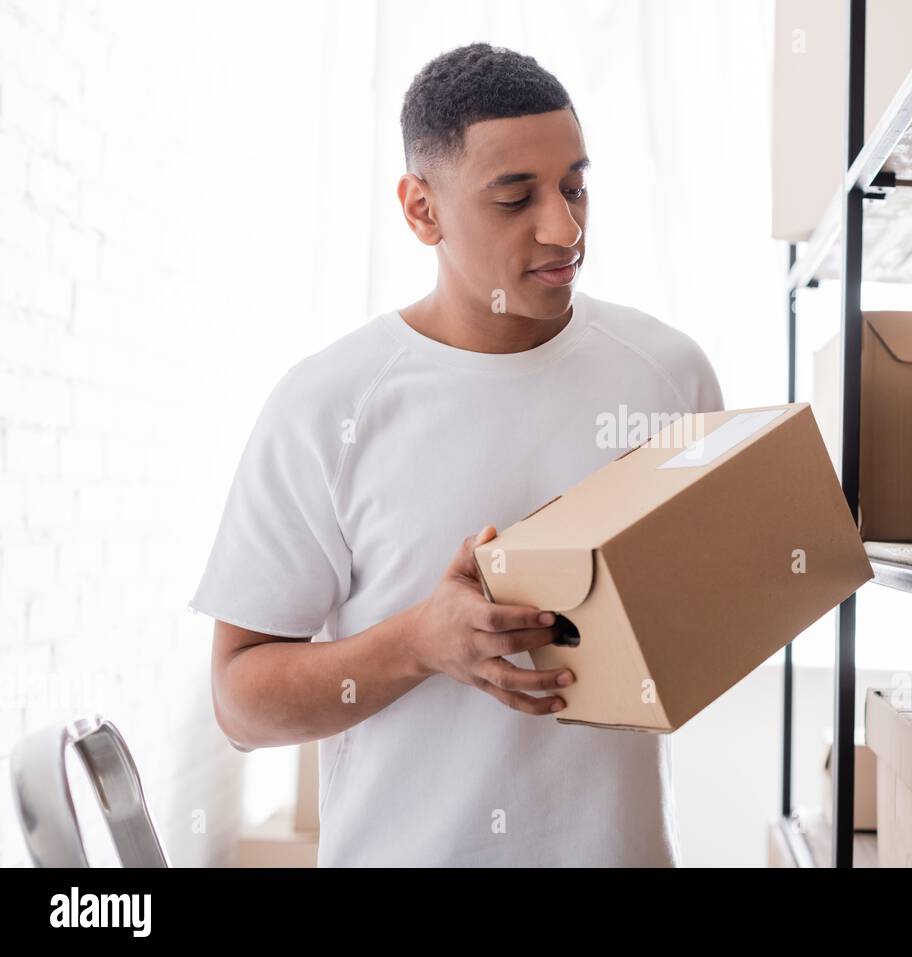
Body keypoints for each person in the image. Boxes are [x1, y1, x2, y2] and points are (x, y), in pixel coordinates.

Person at [190, 42, 724, 866]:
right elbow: (239, 704)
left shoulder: (669, 373)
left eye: (576, 186)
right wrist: (418, 642)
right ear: (421, 211)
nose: (565, 227)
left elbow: (712, 613)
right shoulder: (329, 403)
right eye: (515, 198)